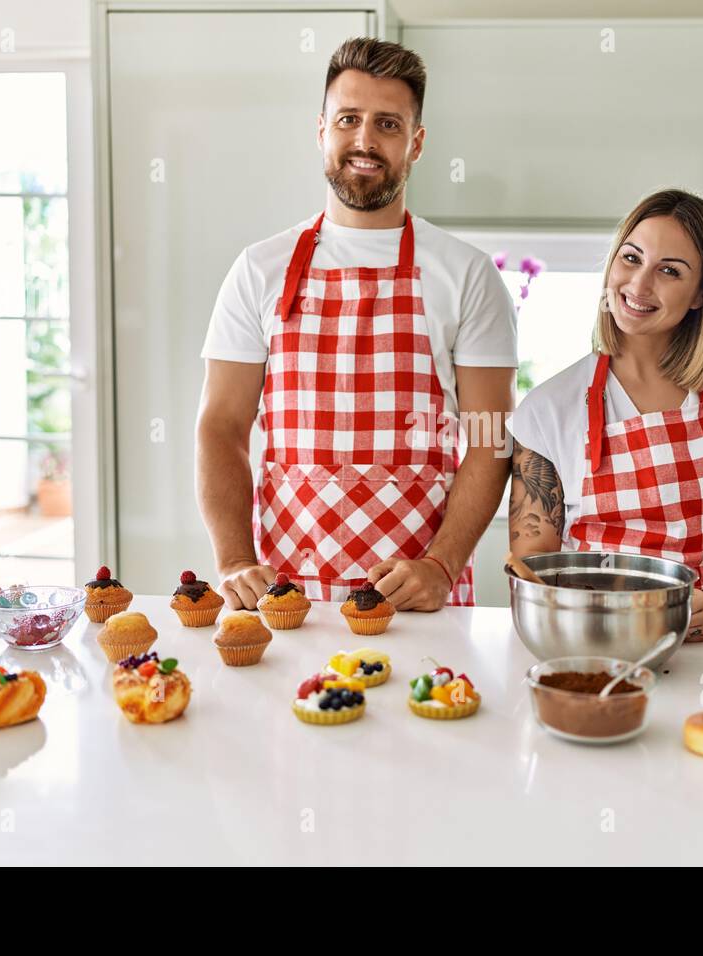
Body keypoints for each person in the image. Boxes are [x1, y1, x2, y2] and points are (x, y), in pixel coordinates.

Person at [197, 37, 517, 611]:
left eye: (388, 124)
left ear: (415, 144)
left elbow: (490, 439)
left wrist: (440, 567)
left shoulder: (467, 275)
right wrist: (235, 560)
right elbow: (221, 427)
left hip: (416, 601)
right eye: (349, 119)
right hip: (283, 597)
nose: (365, 141)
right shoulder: (259, 270)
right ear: (321, 129)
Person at [506, 188, 703, 641]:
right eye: (631, 258)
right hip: (594, 640)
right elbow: (535, 559)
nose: (639, 286)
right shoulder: (548, 409)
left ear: (702, 293)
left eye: (669, 271)